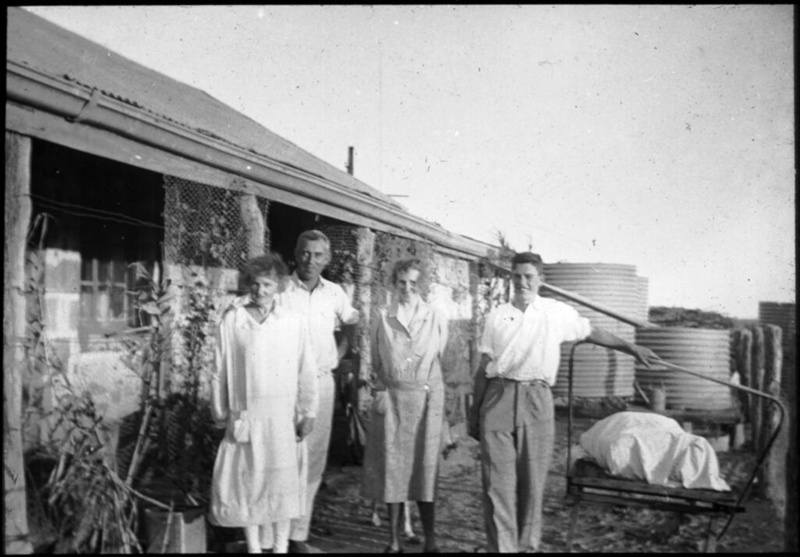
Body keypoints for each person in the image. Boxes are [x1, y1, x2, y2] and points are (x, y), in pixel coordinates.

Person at [467, 251, 656, 553]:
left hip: (537, 400)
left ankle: (527, 547)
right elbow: (483, 367)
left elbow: (593, 332)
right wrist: (473, 414)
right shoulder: (497, 315)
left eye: (528, 276)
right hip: (498, 398)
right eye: (516, 276)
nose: (522, 282)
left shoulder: (556, 312)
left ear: (541, 279)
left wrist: (631, 347)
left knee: (532, 485)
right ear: (510, 278)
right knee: (497, 485)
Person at [209, 253, 318, 554]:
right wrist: (220, 413)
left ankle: (281, 548)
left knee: (281, 485)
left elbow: (306, 368)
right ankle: (255, 549)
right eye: (255, 284)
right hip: (246, 413)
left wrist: (308, 410)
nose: (261, 291)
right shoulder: (234, 319)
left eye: (268, 284)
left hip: (282, 416)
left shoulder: (292, 322)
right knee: (249, 484)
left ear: (280, 285)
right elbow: (219, 369)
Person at [362, 258, 449, 553]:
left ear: (422, 285)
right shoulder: (383, 316)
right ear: (394, 284)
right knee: (393, 469)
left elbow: (440, 358)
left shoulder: (435, 316)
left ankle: (430, 540)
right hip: (395, 400)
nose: (408, 288)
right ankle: (394, 541)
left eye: (414, 283)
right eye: (402, 282)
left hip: (426, 402)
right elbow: (376, 360)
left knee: (425, 469)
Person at [281, 230, 360, 553]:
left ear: (326, 259)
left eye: (317, 255)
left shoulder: (335, 293)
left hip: (322, 381)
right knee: (284, 456)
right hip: (285, 383)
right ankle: (276, 533)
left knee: (313, 459)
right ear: (295, 253)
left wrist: (340, 351)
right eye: (305, 253)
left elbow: (352, 320)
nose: (310, 260)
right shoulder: (282, 289)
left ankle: (298, 535)